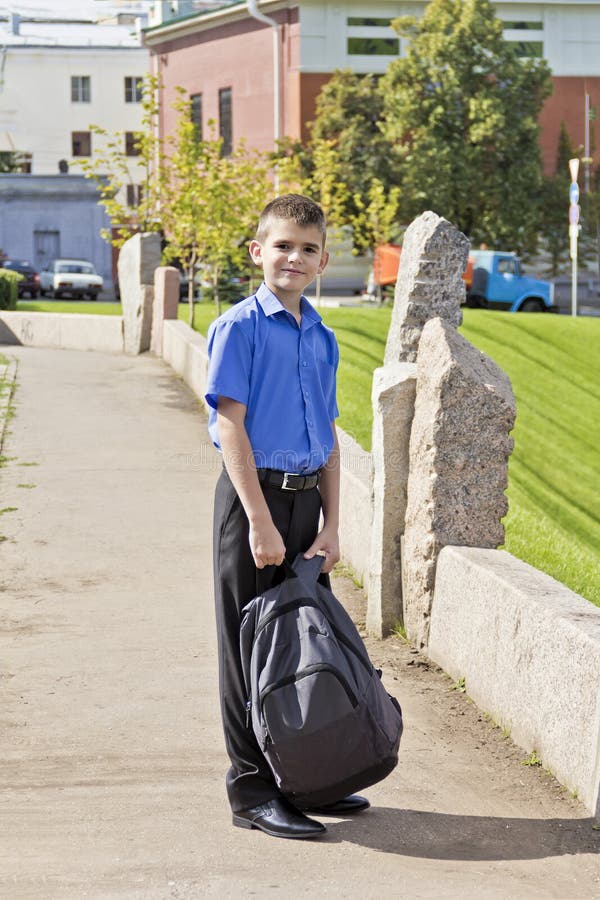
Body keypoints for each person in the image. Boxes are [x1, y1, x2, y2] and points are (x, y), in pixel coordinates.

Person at [205, 194, 370, 840]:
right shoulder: (239, 328)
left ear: (324, 260)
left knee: (302, 640)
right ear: (257, 251)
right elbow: (229, 425)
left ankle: (302, 774)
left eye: (307, 249)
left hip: (307, 506)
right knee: (247, 646)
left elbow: (327, 433)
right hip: (255, 502)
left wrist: (332, 524)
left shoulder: (322, 336)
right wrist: (260, 521)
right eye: (282, 245)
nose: (294, 258)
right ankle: (252, 790)